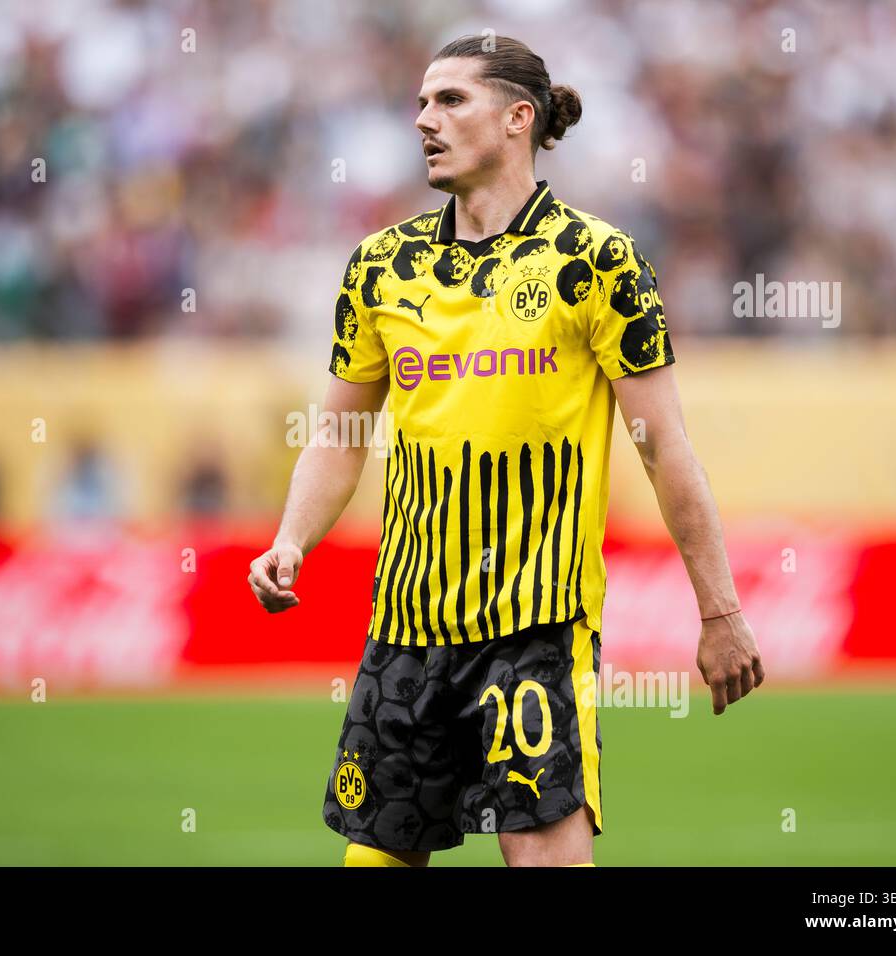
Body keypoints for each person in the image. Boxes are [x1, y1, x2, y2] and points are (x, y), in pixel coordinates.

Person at [247, 35, 764, 867]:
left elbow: (664, 448)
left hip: (535, 626)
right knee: (373, 860)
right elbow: (340, 434)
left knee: (541, 859)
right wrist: (290, 540)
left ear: (519, 117)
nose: (424, 119)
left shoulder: (595, 260)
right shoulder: (382, 267)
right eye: (420, 102)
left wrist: (720, 611)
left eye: (451, 100)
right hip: (406, 624)